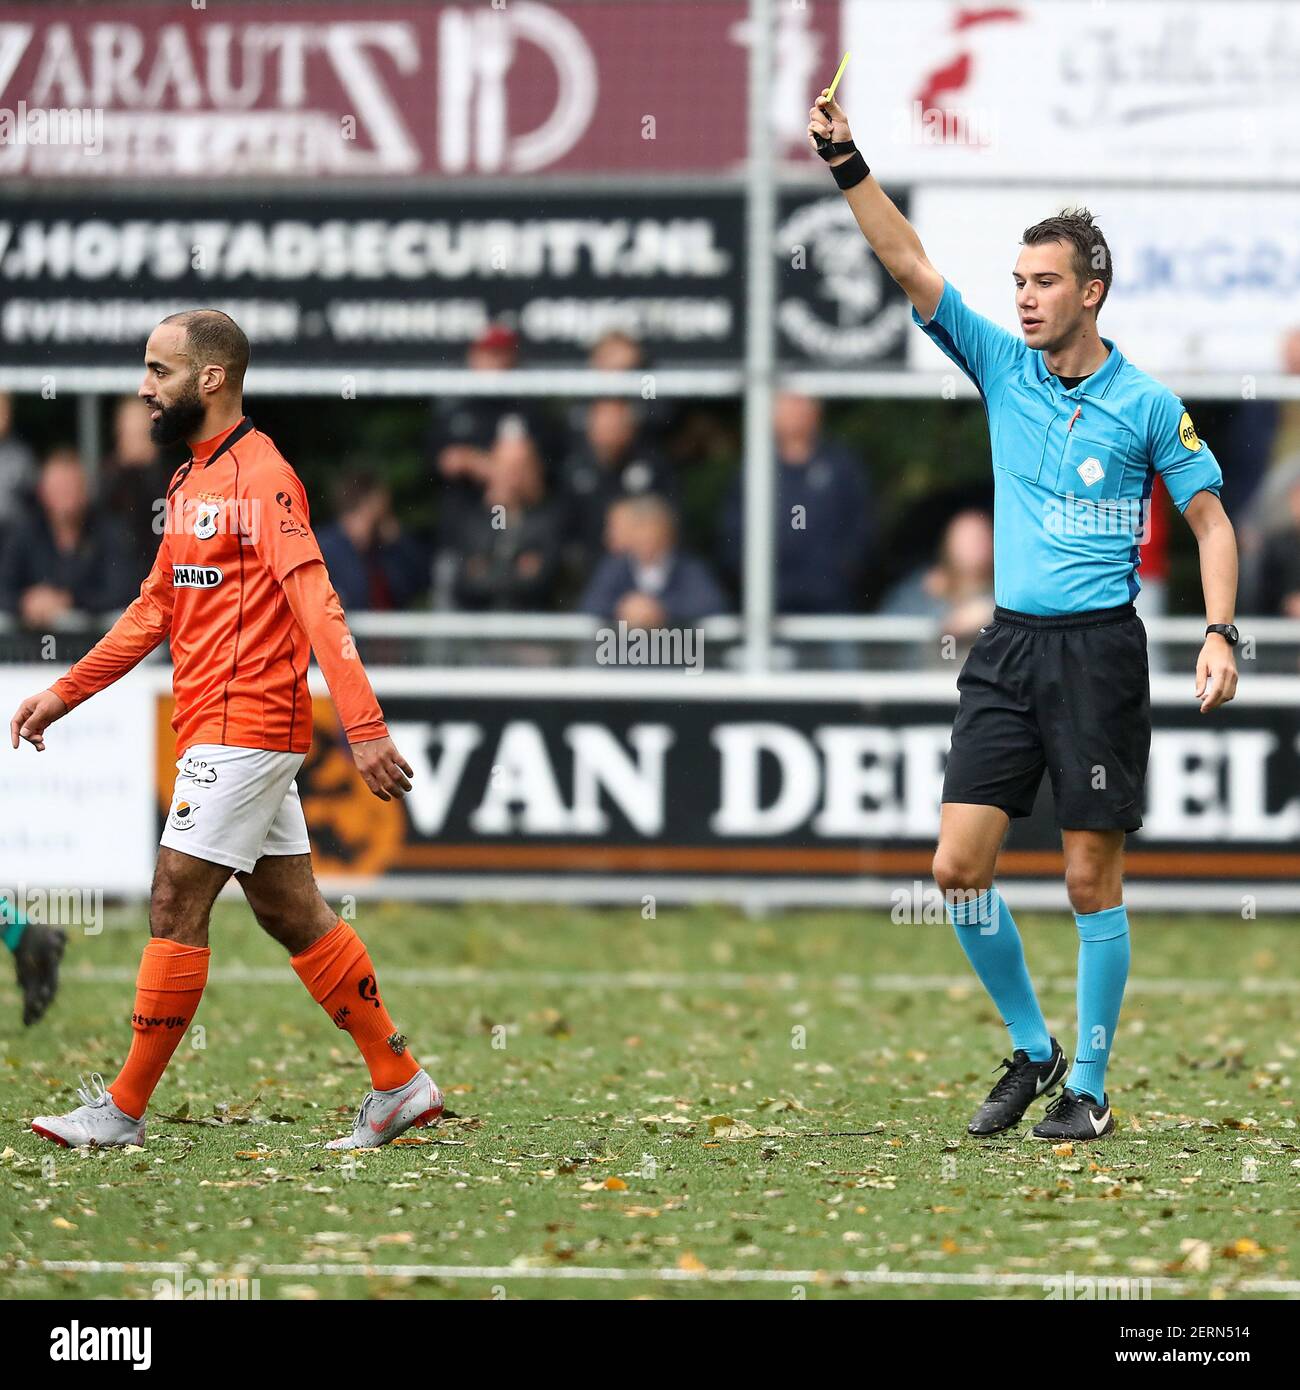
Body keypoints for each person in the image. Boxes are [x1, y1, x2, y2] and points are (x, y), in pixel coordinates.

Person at [811, 91, 1240, 1142]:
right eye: (1017, 282)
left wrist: (1222, 632)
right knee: (957, 868)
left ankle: (1087, 1084)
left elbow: (1212, 523)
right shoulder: (1000, 365)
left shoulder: (1145, 401)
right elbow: (909, 265)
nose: (1026, 299)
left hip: (1099, 652)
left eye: (1045, 282)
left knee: (1089, 876)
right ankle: (1033, 1046)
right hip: (1007, 646)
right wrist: (846, 161)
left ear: (1092, 290)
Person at [9, 309, 441, 1151]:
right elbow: (154, 611)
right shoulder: (187, 483)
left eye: (158, 370)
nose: (144, 387)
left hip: (249, 726)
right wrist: (66, 693)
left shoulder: (263, 476)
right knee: (292, 911)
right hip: (216, 728)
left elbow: (316, 598)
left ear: (211, 379)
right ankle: (399, 1083)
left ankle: (122, 1110)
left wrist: (364, 726)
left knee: (173, 896)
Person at [721, 392, 874, 613]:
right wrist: (750, 573)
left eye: (801, 403)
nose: (795, 412)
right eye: (787, 405)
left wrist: (843, 571)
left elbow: (862, 527)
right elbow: (733, 533)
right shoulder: (752, 468)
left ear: (817, 411)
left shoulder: (842, 466)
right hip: (768, 601)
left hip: (832, 600)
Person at [0, 449, 135, 627]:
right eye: (58, 488)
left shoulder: (108, 530)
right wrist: (25, 602)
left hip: (93, 639)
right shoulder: (24, 531)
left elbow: (122, 592)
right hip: (30, 638)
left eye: (70, 487)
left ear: (84, 491)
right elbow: (3, 587)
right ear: (42, 492)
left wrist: (70, 600)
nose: (65, 495)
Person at [561, 397, 676, 574]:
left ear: (631, 429)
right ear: (590, 429)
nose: (610, 434)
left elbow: (669, 521)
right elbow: (565, 530)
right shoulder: (573, 469)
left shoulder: (653, 465)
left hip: (644, 563)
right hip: (590, 566)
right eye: (605, 426)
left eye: (617, 426)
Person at [451, 433, 565, 611]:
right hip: (481, 626)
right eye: (506, 467)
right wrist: (498, 507)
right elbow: (463, 584)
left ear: (534, 469)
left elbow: (542, 583)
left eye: (520, 467)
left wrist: (489, 570)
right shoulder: (479, 518)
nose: (513, 476)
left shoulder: (550, 518)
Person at [580, 494, 727, 628]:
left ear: (665, 531)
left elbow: (711, 606)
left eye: (651, 529)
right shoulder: (615, 567)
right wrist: (625, 608)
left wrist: (660, 610)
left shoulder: (689, 569)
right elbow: (590, 606)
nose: (646, 537)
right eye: (641, 529)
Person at [317, 470, 430, 612]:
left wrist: (399, 542)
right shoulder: (323, 548)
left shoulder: (386, 546)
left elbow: (418, 583)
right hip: (346, 633)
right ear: (370, 502)